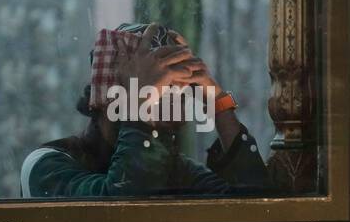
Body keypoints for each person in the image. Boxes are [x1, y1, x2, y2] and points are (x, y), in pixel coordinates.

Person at [21, 23, 269, 197]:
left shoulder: (170, 168)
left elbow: (255, 205)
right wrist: (140, 99)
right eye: (155, 89)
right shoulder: (45, 166)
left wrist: (219, 104)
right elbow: (124, 207)